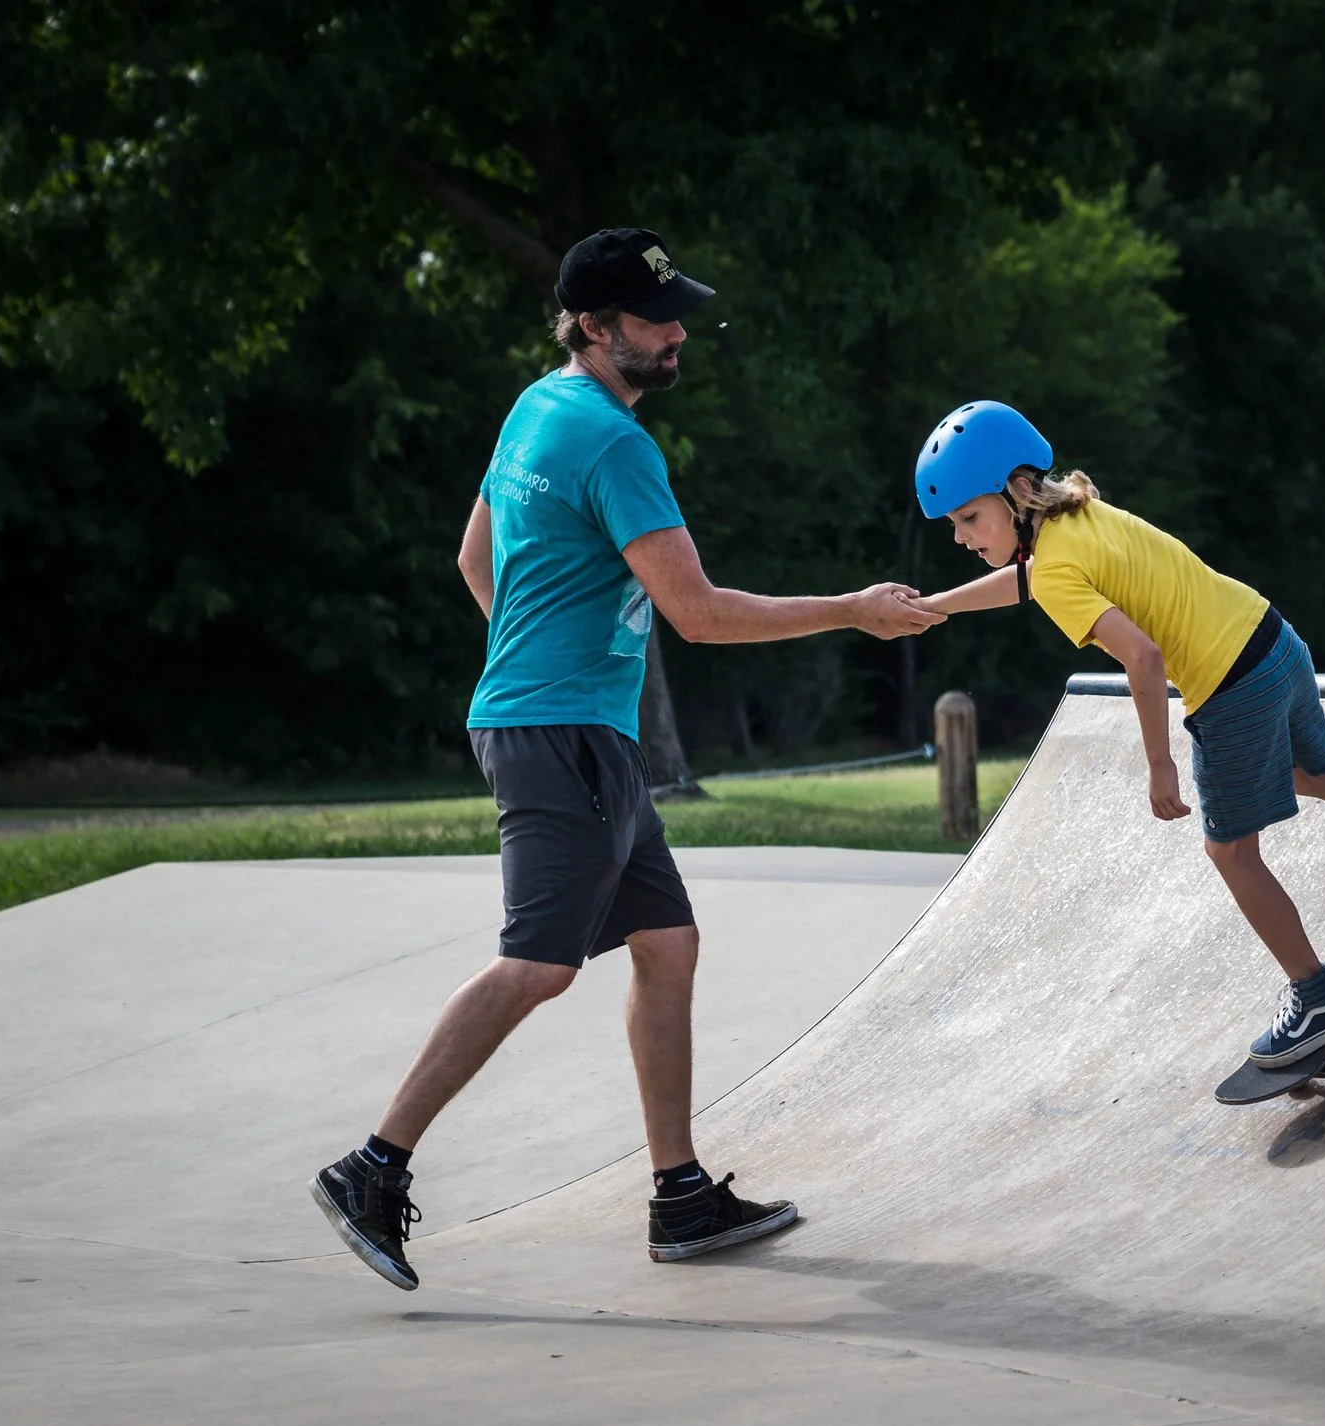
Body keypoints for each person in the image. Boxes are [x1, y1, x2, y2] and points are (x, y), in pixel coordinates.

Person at [313, 229, 945, 1289]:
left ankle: (680, 1194)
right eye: (656, 320)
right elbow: (697, 614)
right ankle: (371, 1167)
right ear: (594, 326)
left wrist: (534, 657)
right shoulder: (614, 444)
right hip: (562, 734)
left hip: (556, 723)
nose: (677, 333)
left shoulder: (534, 408)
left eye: (676, 313)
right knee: (539, 963)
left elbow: (473, 557)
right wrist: (851, 609)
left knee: (667, 941)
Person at [913, 400, 1325, 1066]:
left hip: (1229, 688)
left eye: (968, 518)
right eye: (954, 525)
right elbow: (1029, 582)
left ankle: (1318, 995)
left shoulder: (1059, 568)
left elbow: (1143, 657)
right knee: (1314, 773)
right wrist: (934, 608)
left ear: (1015, 494)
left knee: (1231, 853)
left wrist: (1159, 763)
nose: (961, 538)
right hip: (1273, 639)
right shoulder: (1079, 516)